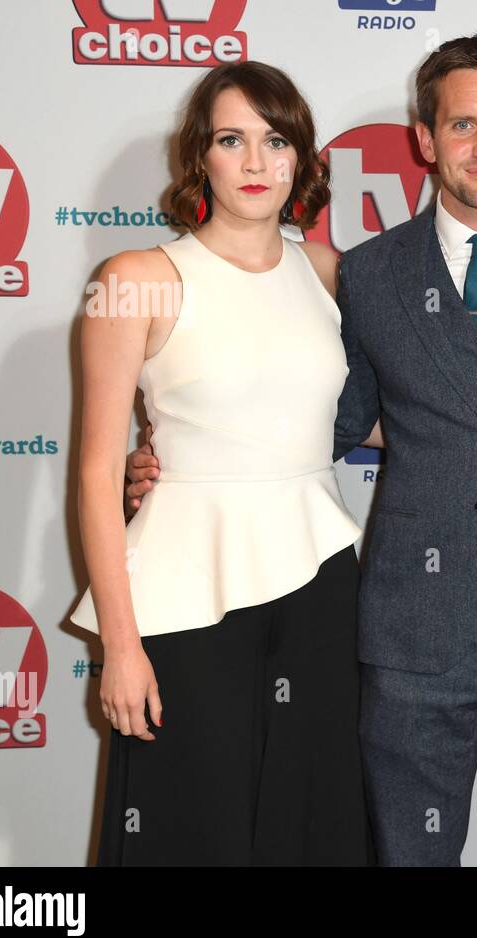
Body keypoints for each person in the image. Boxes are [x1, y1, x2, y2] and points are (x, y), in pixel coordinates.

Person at [132, 35, 477, 866]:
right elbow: (326, 420)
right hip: (411, 630)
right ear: (424, 137)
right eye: (463, 125)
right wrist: (177, 461)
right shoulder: (367, 274)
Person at [72, 61, 370, 865]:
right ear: (198, 156)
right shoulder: (134, 281)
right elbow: (99, 474)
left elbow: (359, 422)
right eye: (231, 140)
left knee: (315, 820)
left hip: (319, 587)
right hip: (183, 592)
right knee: (186, 824)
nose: (255, 163)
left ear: (303, 161)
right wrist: (121, 647)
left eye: (275, 141)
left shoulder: (329, 273)